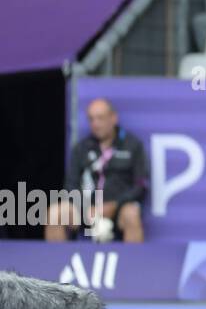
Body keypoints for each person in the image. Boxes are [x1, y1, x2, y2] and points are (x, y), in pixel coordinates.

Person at [52, 99, 148, 243]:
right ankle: (56, 263)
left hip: (118, 210)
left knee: (131, 214)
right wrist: (86, 208)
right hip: (86, 210)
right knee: (55, 213)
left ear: (113, 118)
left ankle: (132, 264)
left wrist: (115, 205)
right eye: (91, 119)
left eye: (100, 118)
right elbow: (70, 186)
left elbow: (141, 186)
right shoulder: (81, 148)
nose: (95, 124)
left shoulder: (133, 145)